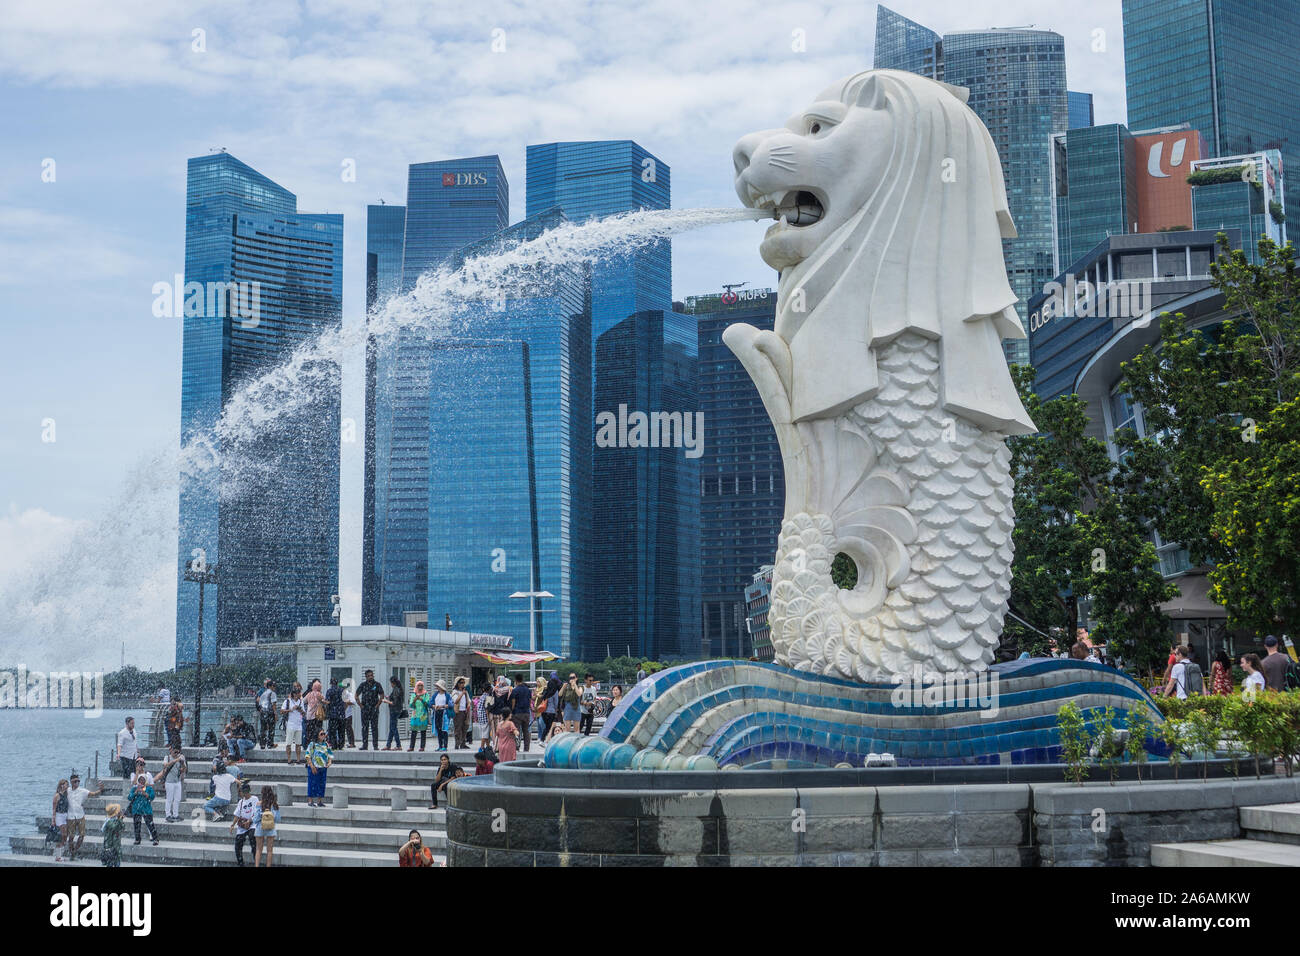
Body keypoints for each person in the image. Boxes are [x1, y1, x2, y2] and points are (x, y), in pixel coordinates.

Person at [65, 773, 103, 860]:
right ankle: (71, 852)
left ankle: (74, 851)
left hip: (80, 815)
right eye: (75, 781)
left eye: (78, 781)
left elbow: (93, 794)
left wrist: (100, 789)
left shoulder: (82, 791)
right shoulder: (67, 791)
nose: (77, 783)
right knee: (71, 836)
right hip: (70, 816)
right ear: (71, 782)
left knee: (82, 835)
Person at [230, 781, 259, 866]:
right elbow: (237, 814)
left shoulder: (254, 799)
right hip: (242, 826)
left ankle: (255, 860)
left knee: (252, 838)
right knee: (238, 845)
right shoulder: (241, 802)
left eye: (242, 791)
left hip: (252, 824)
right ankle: (241, 863)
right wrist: (232, 825)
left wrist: (249, 821)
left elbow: (256, 812)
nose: (241, 793)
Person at [356, 669, 385, 750]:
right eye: (368, 676)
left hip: (374, 709)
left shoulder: (377, 684)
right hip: (365, 709)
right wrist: (361, 706)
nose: (370, 677)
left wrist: (377, 706)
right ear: (366, 677)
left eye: (371, 675)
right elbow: (356, 695)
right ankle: (365, 745)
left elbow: (382, 695)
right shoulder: (362, 685)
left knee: (374, 728)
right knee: (364, 728)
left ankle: (375, 745)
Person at [156, 747, 187, 822]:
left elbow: (184, 769)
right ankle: (168, 815)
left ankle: (175, 815)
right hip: (169, 781)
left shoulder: (181, 758)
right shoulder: (167, 757)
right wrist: (176, 760)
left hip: (177, 781)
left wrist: (182, 763)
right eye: (175, 752)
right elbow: (165, 765)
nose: (176, 754)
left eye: (177, 752)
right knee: (169, 799)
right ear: (171, 751)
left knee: (177, 799)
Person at [305, 727, 334, 808]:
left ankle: (319, 801)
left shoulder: (326, 744)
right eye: (321, 734)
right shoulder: (312, 744)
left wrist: (329, 762)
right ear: (317, 735)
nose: (323, 735)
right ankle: (310, 800)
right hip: (314, 766)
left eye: (324, 734)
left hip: (323, 767)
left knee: (321, 784)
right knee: (312, 783)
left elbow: (330, 754)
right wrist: (311, 765)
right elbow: (307, 755)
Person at [128, 773, 159, 846]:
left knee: (150, 824)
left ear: (146, 781)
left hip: (146, 809)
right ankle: (137, 839)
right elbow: (129, 797)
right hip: (136, 809)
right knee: (137, 825)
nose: (141, 781)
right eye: (140, 780)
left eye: (143, 780)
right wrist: (136, 792)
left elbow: (152, 797)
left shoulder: (149, 788)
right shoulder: (134, 788)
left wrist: (144, 793)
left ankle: (155, 839)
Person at [254, 785, 280, 867]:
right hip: (270, 828)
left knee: (258, 849)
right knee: (269, 850)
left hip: (260, 827)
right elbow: (277, 819)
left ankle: (257, 865)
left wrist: (262, 815)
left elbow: (255, 819)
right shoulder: (274, 804)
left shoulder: (259, 804)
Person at [282, 685, 306, 764]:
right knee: (288, 743)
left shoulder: (301, 701)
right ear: (294, 694)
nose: (299, 695)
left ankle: (298, 759)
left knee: (298, 744)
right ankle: (289, 759)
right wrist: (290, 710)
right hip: (290, 724)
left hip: (298, 724)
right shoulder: (287, 701)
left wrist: (300, 710)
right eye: (298, 693)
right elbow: (282, 711)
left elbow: (304, 713)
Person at [509, 674, 533, 752]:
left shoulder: (515, 690)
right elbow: (530, 701)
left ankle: (517, 747)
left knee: (517, 731)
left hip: (517, 713)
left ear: (515, 680)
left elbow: (513, 702)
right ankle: (526, 748)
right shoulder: (528, 690)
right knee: (526, 731)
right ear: (522, 679)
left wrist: (511, 712)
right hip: (526, 713)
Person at [116, 716, 139, 796]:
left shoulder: (134, 731)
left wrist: (137, 751)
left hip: (133, 755)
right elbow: (119, 744)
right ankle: (126, 792)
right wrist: (118, 753)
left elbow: (135, 742)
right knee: (127, 774)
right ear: (127, 723)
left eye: (134, 723)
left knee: (134, 773)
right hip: (125, 756)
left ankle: (133, 790)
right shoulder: (122, 733)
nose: (133, 725)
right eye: (131, 723)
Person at [408, 680, 431, 751]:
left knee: (423, 731)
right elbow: (411, 705)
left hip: (423, 715)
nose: (420, 687)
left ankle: (422, 747)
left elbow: (427, 704)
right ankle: (411, 747)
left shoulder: (426, 694)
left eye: (421, 685)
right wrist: (415, 699)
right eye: (419, 685)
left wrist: (421, 699)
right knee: (413, 731)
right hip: (415, 715)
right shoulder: (413, 694)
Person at [100, 804, 125, 868]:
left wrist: (120, 819)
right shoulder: (108, 821)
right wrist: (119, 819)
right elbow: (114, 827)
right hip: (110, 845)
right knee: (110, 862)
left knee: (117, 862)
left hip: (116, 845)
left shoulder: (116, 820)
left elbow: (123, 827)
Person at [51, 779, 70, 861]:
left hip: (65, 815)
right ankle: (57, 856)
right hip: (59, 816)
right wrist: (53, 820)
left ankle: (60, 854)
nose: (67, 786)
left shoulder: (67, 794)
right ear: (61, 785)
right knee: (61, 836)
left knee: (65, 836)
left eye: (67, 784)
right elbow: (54, 809)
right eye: (66, 784)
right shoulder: (57, 796)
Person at [385, 676, 405, 751]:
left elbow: (394, 703)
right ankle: (388, 745)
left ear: (393, 683)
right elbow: (394, 698)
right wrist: (387, 697)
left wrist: (386, 701)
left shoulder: (396, 690)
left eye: (391, 683)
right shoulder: (398, 689)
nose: (391, 684)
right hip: (397, 710)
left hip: (394, 711)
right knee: (392, 728)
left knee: (393, 728)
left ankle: (398, 745)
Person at [257, 679, 278, 749]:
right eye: (274, 686)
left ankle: (262, 744)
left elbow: (259, 703)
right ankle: (270, 743)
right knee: (271, 728)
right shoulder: (273, 693)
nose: (274, 687)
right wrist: (275, 714)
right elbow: (274, 704)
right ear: (270, 686)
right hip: (270, 712)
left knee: (263, 728)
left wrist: (261, 711)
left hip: (263, 712)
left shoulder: (263, 693)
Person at [326, 678, 347, 749]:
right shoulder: (342, 690)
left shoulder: (329, 691)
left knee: (332, 731)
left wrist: (323, 702)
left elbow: (328, 702)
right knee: (341, 730)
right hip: (341, 714)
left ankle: (334, 745)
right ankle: (341, 745)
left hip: (333, 714)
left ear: (331, 683)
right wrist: (343, 709)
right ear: (337, 683)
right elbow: (346, 702)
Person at [431, 680, 452, 751]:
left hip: (444, 714)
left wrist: (442, 706)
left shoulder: (447, 695)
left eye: (438, 686)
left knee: (444, 730)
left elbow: (451, 704)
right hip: (437, 713)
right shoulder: (435, 695)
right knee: (438, 729)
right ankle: (440, 745)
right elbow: (430, 703)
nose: (437, 687)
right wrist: (434, 706)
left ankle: (445, 746)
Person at [304, 679, 325, 748]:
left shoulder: (309, 694)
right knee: (318, 730)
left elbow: (303, 701)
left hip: (309, 716)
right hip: (317, 716)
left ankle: (309, 745)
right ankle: (317, 744)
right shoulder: (319, 694)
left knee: (309, 731)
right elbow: (324, 701)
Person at [451, 677, 471, 750]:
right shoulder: (455, 692)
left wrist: (468, 705)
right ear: (457, 684)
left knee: (465, 728)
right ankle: (457, 744)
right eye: (461, 683)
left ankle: (463, 743)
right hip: (458, 712)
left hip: (465, 711)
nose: (462, 684)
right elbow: (455, 701)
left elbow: (469, 700)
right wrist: (462, 694)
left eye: (463, 682)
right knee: (458, 728)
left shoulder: (465, 692)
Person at [341, 678, 358, 748]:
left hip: (348, 714)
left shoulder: (349, 694)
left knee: (349, 729)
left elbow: (353, 702)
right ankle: (342, 742)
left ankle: (352, 743)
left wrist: (346, 702)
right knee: (342, 729)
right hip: (342, 715)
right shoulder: (341, 694)